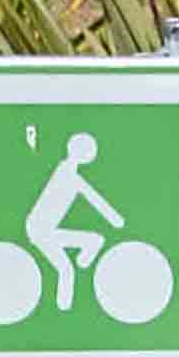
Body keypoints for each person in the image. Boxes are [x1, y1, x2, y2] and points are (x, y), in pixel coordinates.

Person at [25, 134, 125, 313]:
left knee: (79, 256)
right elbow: (92, 196)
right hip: (39, 230)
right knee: (69, 266)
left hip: (42, 229)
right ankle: (64, 308)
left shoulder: (69, 173)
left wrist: (115, 218)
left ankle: (81, 265)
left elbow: (92, 196)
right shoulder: (66, 172)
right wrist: (115, 219)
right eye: (88, 151)